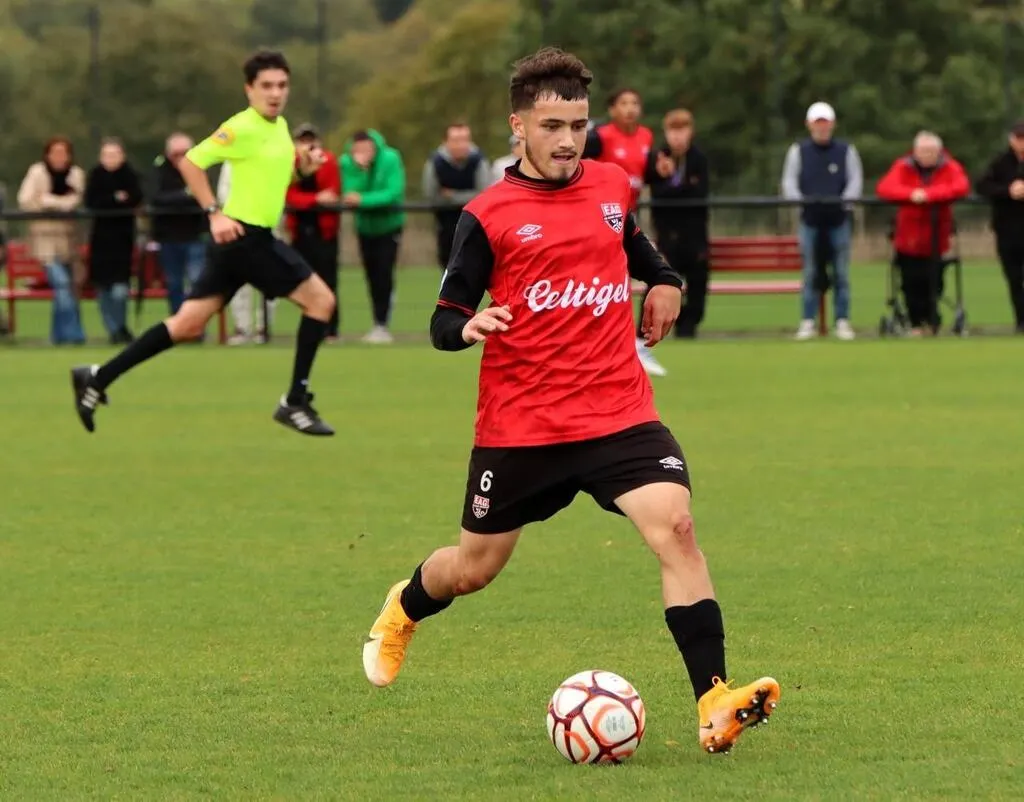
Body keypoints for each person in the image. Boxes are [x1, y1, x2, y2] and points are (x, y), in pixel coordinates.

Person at [360, 46, 780, 757]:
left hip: (617, 412)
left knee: (675, 529)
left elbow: (639, 251)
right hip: (522, 427)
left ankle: (714, 699)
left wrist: (667, 281)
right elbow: (441, 320)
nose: (566, 140)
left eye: (578, 125)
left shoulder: (613, 185)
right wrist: (468, 325)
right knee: (473, 569)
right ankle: (404, 607)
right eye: (551, 125)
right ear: (517, 126)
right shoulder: (487, 216)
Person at [70, 49, 337, 435]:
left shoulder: (277, 127)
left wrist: (301, 170)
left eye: (281, 85)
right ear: (249, 89)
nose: (275, 93)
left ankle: (96, 378)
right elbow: (190, 162)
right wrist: (214, 211)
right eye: (266, 86)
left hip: (241, 242)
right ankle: (295, 401)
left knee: (186, 325)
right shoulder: (241, 127)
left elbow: (267, 180)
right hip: (246, 239)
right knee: (321, 302)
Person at [582, 87, 665, 376]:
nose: (630, 109)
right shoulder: (599, 137)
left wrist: (661, 171)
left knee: (651, 272)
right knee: (603, 280)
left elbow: (646, 175)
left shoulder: (646, 137)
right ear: (612, 109)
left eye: (635, 103)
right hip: (599, 217)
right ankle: (599, 346)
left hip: (630, 218)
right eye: (623, 103)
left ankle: (638, 346)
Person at [781, 102, 863, 341]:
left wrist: (843, 204)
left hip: (838, 221)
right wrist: (802, 204)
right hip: (810, 220)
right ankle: (808, 321)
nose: (822, 128)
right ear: (809, 125)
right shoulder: (798, 151)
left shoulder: (846, 151)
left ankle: (842, 321)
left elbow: (854, 182)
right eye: (818, 123)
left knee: (841, 273)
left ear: (833, 124)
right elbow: (789, 183)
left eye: (825, 123)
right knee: (810, 273)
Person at [876, 131, 970, 336]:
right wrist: (911, 195)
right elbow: (885, 188)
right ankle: (917, 323)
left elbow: (960, 187)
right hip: (908, 238)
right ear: (915, 151)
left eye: (931, 151)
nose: (926, 155)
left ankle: (931, 320)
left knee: (934, 281)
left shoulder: (950, 167)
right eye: (923, 151)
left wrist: (930, 195)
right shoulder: (903, 166)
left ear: (938, 151)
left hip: (937, 238)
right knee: (910, 282)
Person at [645, 109, 710, 339]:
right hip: (667, 234)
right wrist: (671, 181)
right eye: (673, 131)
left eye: (682, 130)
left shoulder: (698, 159)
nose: (678, 136)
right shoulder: (658, 157)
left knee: (698, 282)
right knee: (658, 278)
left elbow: (699, 193)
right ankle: (646, 329)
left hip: (694, 235)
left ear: (690, 132)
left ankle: (688, 327)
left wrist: (673, 181)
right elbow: (657, 194)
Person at [17, 137, 87, 345]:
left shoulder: (76, 175)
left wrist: (47, 200)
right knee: (62, 284)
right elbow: (26, 200)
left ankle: (58, 337)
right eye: (55, 152)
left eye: (63, 152)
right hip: (45, 242)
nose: (59, 157)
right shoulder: (36, 172)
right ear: (47, 154)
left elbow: (76, 200)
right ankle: (75, 336)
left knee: (69, 289)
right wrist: (58, 203)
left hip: (69, 242)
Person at [340, 129, 406, 344]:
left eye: (366, 149)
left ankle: (382, 324)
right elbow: (350, 193)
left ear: (374, 147)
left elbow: (393, 192)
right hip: (364, 228)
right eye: (357, 150)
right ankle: (377, 322)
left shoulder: (390, 158)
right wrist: (362, 170)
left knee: (384, 274)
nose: (362, 153)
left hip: (389, 226)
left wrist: (363, 200)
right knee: (371, 276)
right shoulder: (347, 162)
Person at [285, 122, 342, 341]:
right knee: (304, 282)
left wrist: (311, 200)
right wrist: (314, 200)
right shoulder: (290, 164)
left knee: (328, 279)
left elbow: (332, 192)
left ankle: (331, 329)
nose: (308, 145)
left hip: (324, 231)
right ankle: (310, 327)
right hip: (299, 231)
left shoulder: (328, 161)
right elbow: (288, 196)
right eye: (303, 141)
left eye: (311, 140)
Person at [84, 137, 143, 344]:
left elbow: (135, 198)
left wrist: (115, 200)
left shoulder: (130, 176)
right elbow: (93, 202)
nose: (111, 159)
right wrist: (116, 198)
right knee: (103, 289)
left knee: (119, 290)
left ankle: (120, 326)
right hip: (101, 240)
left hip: (123, 240)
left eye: (115, 155)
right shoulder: (95, 176)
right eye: (106, 155)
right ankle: (113, 330)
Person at [149, 133, 207, 317]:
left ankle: (196, 323)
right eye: (176, 154)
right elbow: (156, 199)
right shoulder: (159, 172)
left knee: (197, 281)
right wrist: (185, 195)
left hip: (195, 236)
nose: (181, 158)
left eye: (185, 153)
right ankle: (178, 323)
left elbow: (203, 197)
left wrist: (180, 198)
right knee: (174, 283)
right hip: (168, 238)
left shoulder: (200, 168)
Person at [975, 119, 1024, 334]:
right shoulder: (1000, 162)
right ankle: (1021, 320)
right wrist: (1008, 191)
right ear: (1011, 139)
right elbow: (982, 185)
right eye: (1019, 138)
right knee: (1014, 277)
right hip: (1008, 230)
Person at [422, 122, 491, 270]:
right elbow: (432, 196)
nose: (461, 145)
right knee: (448, 271)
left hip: (476, 226)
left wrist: (452, 196)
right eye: (456, 140)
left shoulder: (478, 160)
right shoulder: (435, 162)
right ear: (445, 142)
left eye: (465, 139)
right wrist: (470, 196)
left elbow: (484, 194)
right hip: (445, 227)